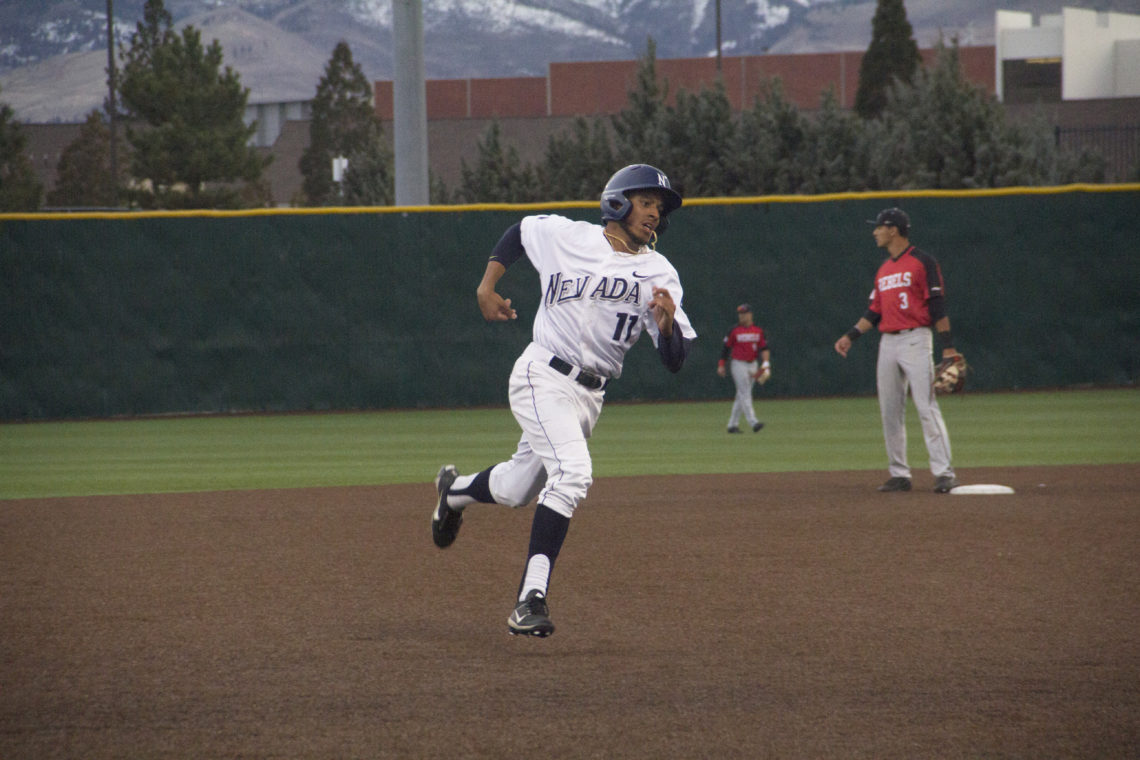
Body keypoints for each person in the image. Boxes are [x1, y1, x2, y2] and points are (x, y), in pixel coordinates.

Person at [431, 164, 696, 638]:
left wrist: (667, 324)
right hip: (541, 374)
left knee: (516, 489)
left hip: (589, 397)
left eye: (660, 207)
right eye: (646, 202)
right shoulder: (568, 237)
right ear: (617, 202)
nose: (655, 213)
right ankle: (530, 598)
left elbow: (675, 359)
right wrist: (486, 286)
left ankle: (452, 493)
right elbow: (518, 233)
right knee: (572, 474)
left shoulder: (660, 273)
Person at [833, 207, 960, 494]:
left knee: (926, 407)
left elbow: (937, 305)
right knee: (890, 410)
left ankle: (944, 473)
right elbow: (874, 311)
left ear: (893, 229)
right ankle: (900, 474)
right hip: (887, 343)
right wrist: (850, 336)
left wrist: (948, 347)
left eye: (878, 227)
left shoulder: (922, 262)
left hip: (916, 339)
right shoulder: (883, 269)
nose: (874, 232)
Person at [716, 304, 770, 433]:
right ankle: (754, 422)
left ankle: (732, 425)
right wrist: (721, 365)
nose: (742, 316)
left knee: (741, 395)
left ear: (750, 314)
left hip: (753, 364)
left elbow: (764, 348)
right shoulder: (734, 330)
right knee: (745, 392)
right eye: (740, 314)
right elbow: (726, 349)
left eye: (744, 313)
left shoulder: (758, 331)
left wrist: (766, 364)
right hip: (738, 364)